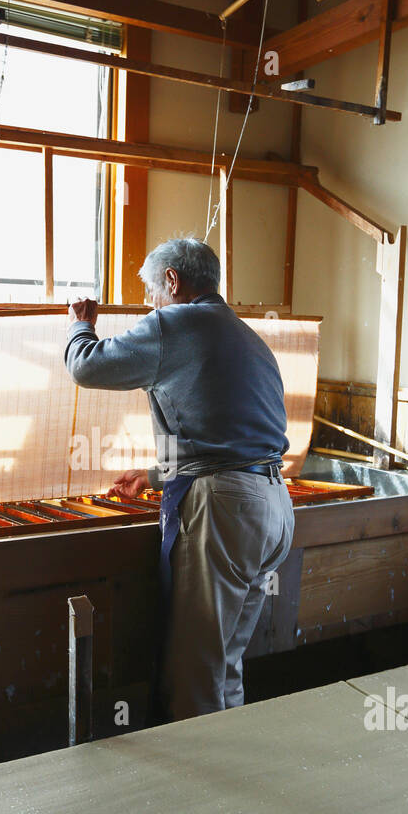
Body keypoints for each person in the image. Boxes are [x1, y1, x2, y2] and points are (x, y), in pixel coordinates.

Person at [64, 237, 294, 722]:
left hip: (227, 511)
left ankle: (196, 793)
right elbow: (224, 431)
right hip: (273, 505)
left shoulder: (177, 322)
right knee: (225, 662)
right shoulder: (249, 338)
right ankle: (229, 773)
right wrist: (152, 476)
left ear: (173, 280)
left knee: (193, 673)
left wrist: (80, 324)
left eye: (152, 291)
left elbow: (87, 367)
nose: (151, 304)